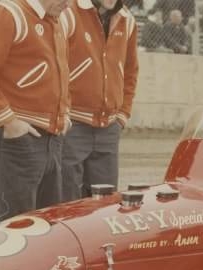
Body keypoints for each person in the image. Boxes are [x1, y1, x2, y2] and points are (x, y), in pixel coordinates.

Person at [0, 0, 72, 227]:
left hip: (52, 141)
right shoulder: (9, 13)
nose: (69, 4)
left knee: (47, 228)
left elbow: (61, 74)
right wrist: (9, 121)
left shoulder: (56, 20)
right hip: (17, 142)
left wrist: (64, 113)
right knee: (11, 230)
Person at [59, 0, 139, 201]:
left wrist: (123, 114)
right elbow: (55, 64)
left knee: (104, 201)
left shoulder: (127, 20)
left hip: (109, 128)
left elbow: (131, 71)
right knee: (66, 200)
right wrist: (63, 112)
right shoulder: (68, 12)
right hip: (72, 125)